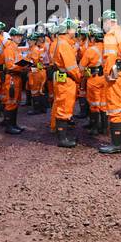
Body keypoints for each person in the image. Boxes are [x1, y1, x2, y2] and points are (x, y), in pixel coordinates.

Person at [98, 11, 121, 154]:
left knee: (114, 108)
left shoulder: (110, 36)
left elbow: (111, 58)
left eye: (104, 22)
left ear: (109, 22)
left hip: (115, 75)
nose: (103, 25)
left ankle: (116, 145)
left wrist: (107, 75)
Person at [50, 20, 81, 148]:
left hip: (61, 77)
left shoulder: (59, 41)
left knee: (60, 104)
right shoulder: (64, 44)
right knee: (64, 107)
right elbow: (71, 67)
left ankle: (62, 134)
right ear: (68, 30)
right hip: (66, 80)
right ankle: (62, 139)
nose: (75, 31)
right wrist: (79, 78)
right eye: (74, 29)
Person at [1, 25, 30, 134]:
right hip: (12, 78)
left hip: (17, 77)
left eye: (20, 36)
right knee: (11, 101)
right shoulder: (9, 48)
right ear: (12, 37)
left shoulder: (16, 48)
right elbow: (10, 65)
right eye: (17, 36)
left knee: (16, 101)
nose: (19, 38)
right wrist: (22, 66)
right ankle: (9, 126)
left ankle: (13, 124)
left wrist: (25, 64)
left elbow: (18, 62)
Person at [81, 25, 106, 136]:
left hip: (94, 79)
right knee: (104, 104)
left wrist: (84, 76)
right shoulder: (108, 48)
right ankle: (105, 128)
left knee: (94, 104)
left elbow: (81, 67)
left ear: (93, 38)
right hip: (106, 79)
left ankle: (94, 128)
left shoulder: (90, 50)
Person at [27, 28, 49, 114]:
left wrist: (26, 63)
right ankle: (42, 108)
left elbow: (34, 62)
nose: (29, 42)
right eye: (28, 40)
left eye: (31, 40)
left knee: (35, 91)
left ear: (35, 41)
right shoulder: (35, 49)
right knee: (40, 90)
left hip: (37, 72)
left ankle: (37, 109)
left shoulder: (35, 49)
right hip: (39, 71)